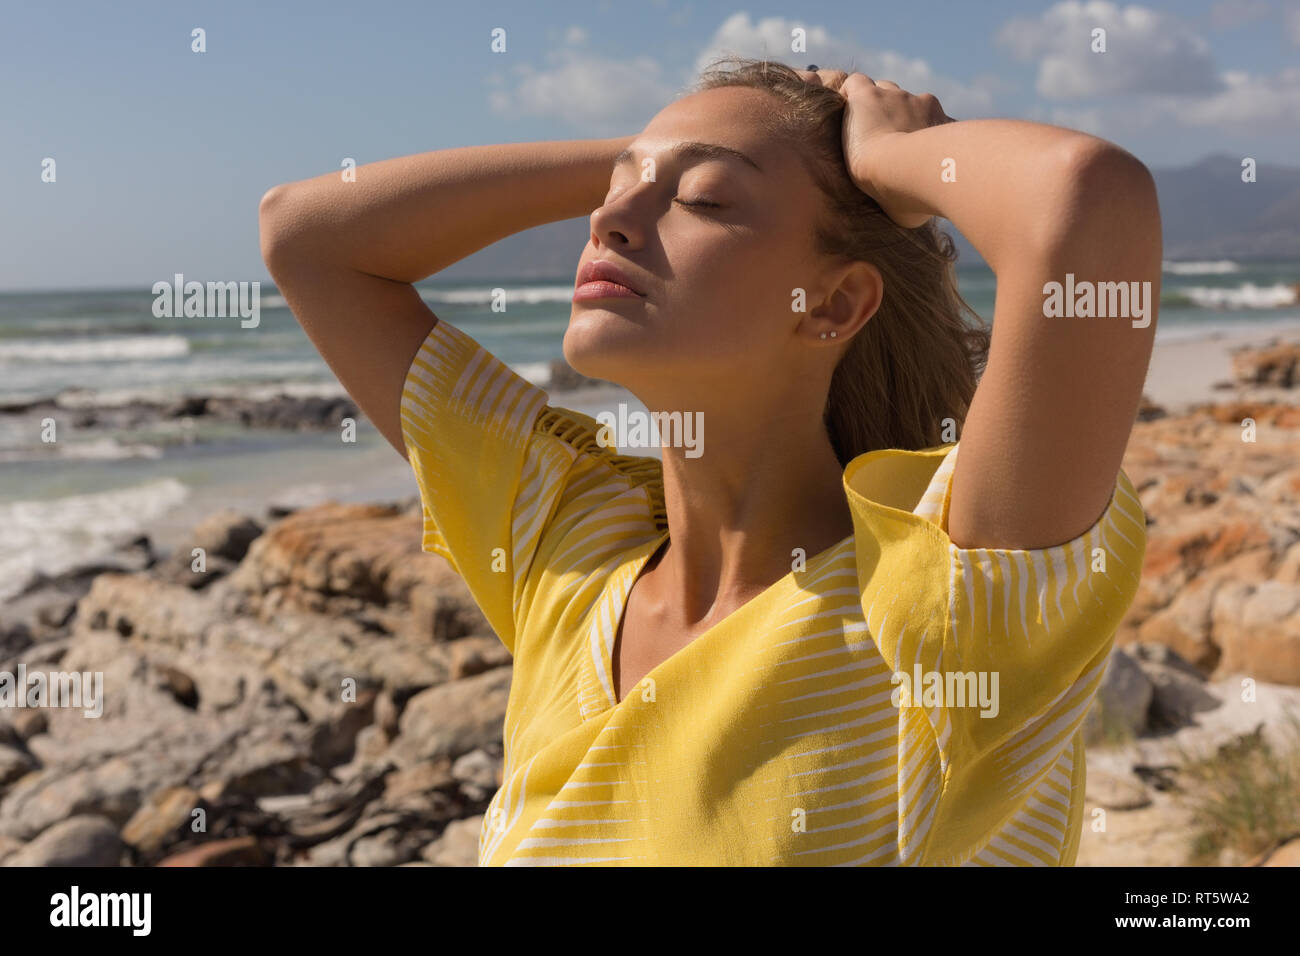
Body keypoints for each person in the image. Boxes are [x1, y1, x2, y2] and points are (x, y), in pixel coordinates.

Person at [259, 57, 1158, 866]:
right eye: (614, 195)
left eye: (706, 201)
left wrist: (885, 154)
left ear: (835, 303)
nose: (607, 218)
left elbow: (1090, 203)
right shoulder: (568, 557)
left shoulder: (941, 614)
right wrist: (662, 153)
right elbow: (304, 234)